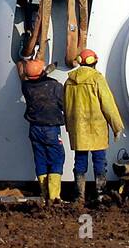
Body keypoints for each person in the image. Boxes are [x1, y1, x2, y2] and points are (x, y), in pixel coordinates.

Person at [64, 48, 123, 205]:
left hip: (79, 129)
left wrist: (70, 128)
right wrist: (117, 126)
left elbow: (67, 107)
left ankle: (79, 196)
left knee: (80, 162)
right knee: (99, 161)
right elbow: (108, 104)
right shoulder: (97, 79)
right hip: (96, 128)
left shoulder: (69, 81)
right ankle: (100, 194)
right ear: (94, 62)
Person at [19, 57, 65, 204]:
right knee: (57, 158)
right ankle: (54, 196)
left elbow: (22, 70)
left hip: (34, 129)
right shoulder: (55, 86)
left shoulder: (26, 86)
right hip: (51, 128)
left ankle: (45, 194)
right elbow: (64, 104)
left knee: (40, 159)